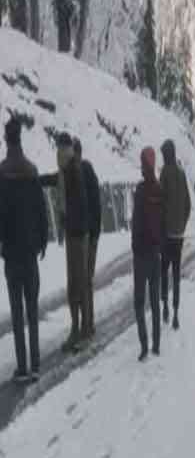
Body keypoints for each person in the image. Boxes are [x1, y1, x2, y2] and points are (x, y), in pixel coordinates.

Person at [0, 116, 49, 383]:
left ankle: (22, 366)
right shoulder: (32, 171)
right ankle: (36, 364)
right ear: (20, 138)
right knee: (32, 308)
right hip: (30, 252)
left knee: (17, 311)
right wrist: (43, 241)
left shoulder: (2, 173)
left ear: (7, 141)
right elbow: (42, 211)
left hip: (11, 253)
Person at [51, 133, 89, 353]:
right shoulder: (67, 170)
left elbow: (80, 204)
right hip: (74, 234)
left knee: (78, 283)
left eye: (60, 149)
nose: (57, 153)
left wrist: (68, 222)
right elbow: (55, 180)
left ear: (66, 150)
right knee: (74, 284)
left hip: (77, 235)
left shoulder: (74, 170)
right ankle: (77, 329)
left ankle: (81, 331)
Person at [132, 146, 165, 361]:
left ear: (145, 164)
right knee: (154, 301)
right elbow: (163, 221)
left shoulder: (141, 190)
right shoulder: (160, 190)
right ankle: (156, 344)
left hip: (141, 255)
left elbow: (136, 222)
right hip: (155, 253)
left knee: (139, 301)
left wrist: (135, 245)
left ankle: (144, 345)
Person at [158, 140, 191, 330]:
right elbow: (188, 205)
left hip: (166, 234)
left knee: (164, 271)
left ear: (167, 154)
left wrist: (162, 226)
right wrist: (182, 225)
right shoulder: (181, 172)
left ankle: (164, 307)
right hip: (179, 234)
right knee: (176, 274)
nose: (163, 157)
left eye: (163, 154)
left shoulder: (165, 172)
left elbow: (160, 201)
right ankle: (176, 313)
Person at [75, 138, 102, 340]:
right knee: (83, 281)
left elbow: (95, 206)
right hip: (87, 236)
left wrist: (93, 235)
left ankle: (88, 325)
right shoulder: (81, 172)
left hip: (89, 236)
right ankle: (86, 323)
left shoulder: (85, 172)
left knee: (85, 281)